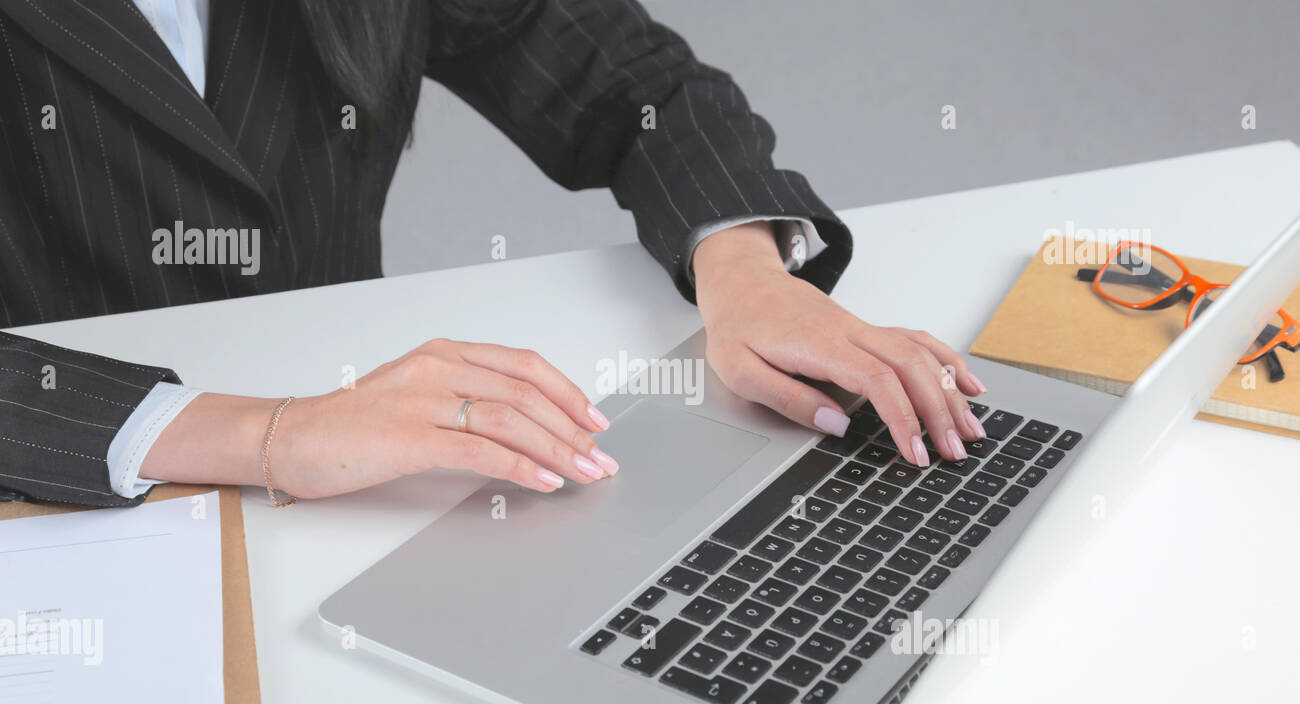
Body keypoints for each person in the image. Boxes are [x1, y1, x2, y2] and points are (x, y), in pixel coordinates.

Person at [0, 0, 986, 508]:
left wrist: (744, 271)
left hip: (360, 441)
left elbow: (630, 83)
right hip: (67, 472)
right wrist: (274, 436)